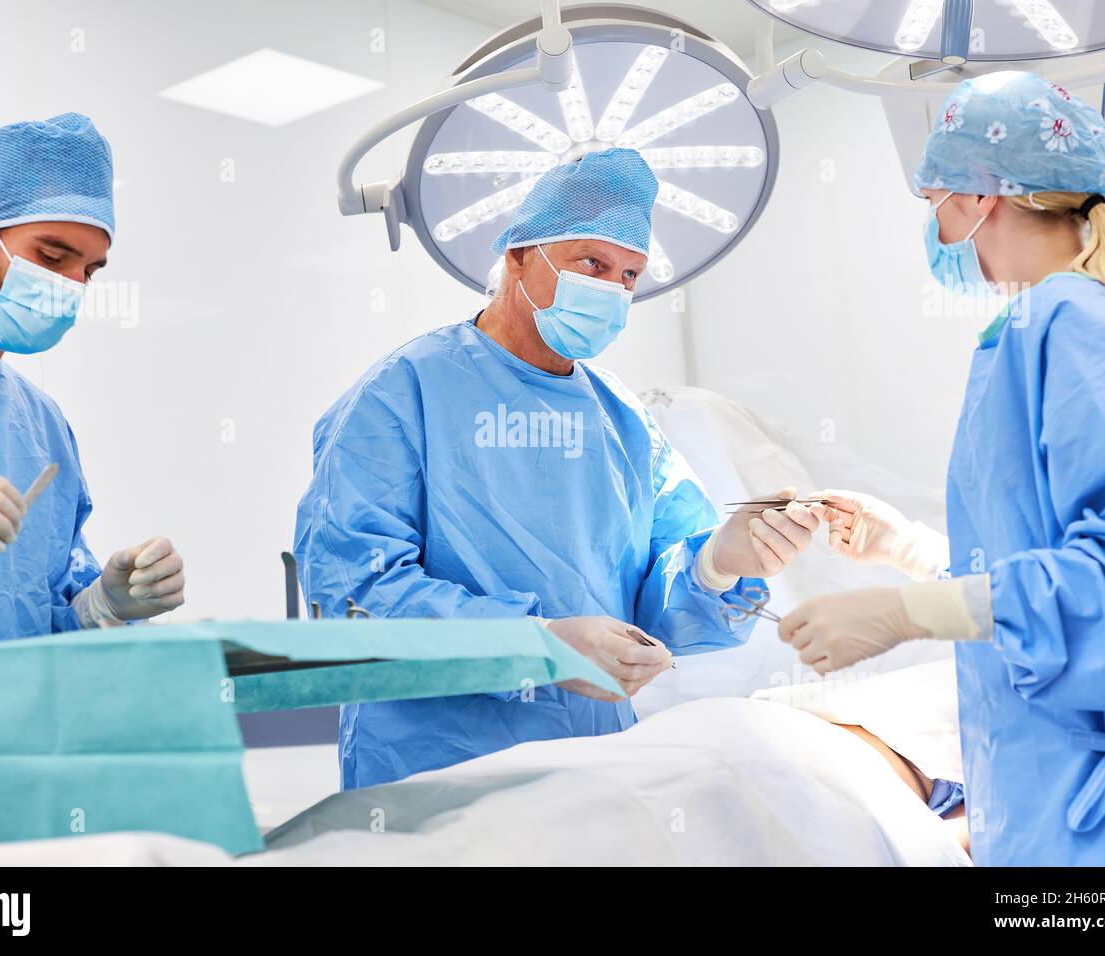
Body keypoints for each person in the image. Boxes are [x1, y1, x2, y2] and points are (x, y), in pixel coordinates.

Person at [296, 148, 820, 789]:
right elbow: (353, 599)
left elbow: (658, 611)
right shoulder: (402, 395)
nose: (612, 289)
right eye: (592, 264)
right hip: (433, 776)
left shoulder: (622, 423)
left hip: (595, 770)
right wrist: (536, 647)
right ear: (520, 254)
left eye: (629, 275)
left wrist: (720, 563)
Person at [779, 73, 1105, 866]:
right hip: (1047, 811)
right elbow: (1042, 566)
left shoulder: (1069, 321)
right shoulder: (1039, 329)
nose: (936, 227)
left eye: (936, 202)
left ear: (981, 197)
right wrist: (911, 553)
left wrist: (905, 611)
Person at [0, 113, 185, 652]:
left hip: (2, 732)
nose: (68, 286)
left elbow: (36, 623)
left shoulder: (40, 425)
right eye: (50, 255)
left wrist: (102, 607)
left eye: (88, 271)